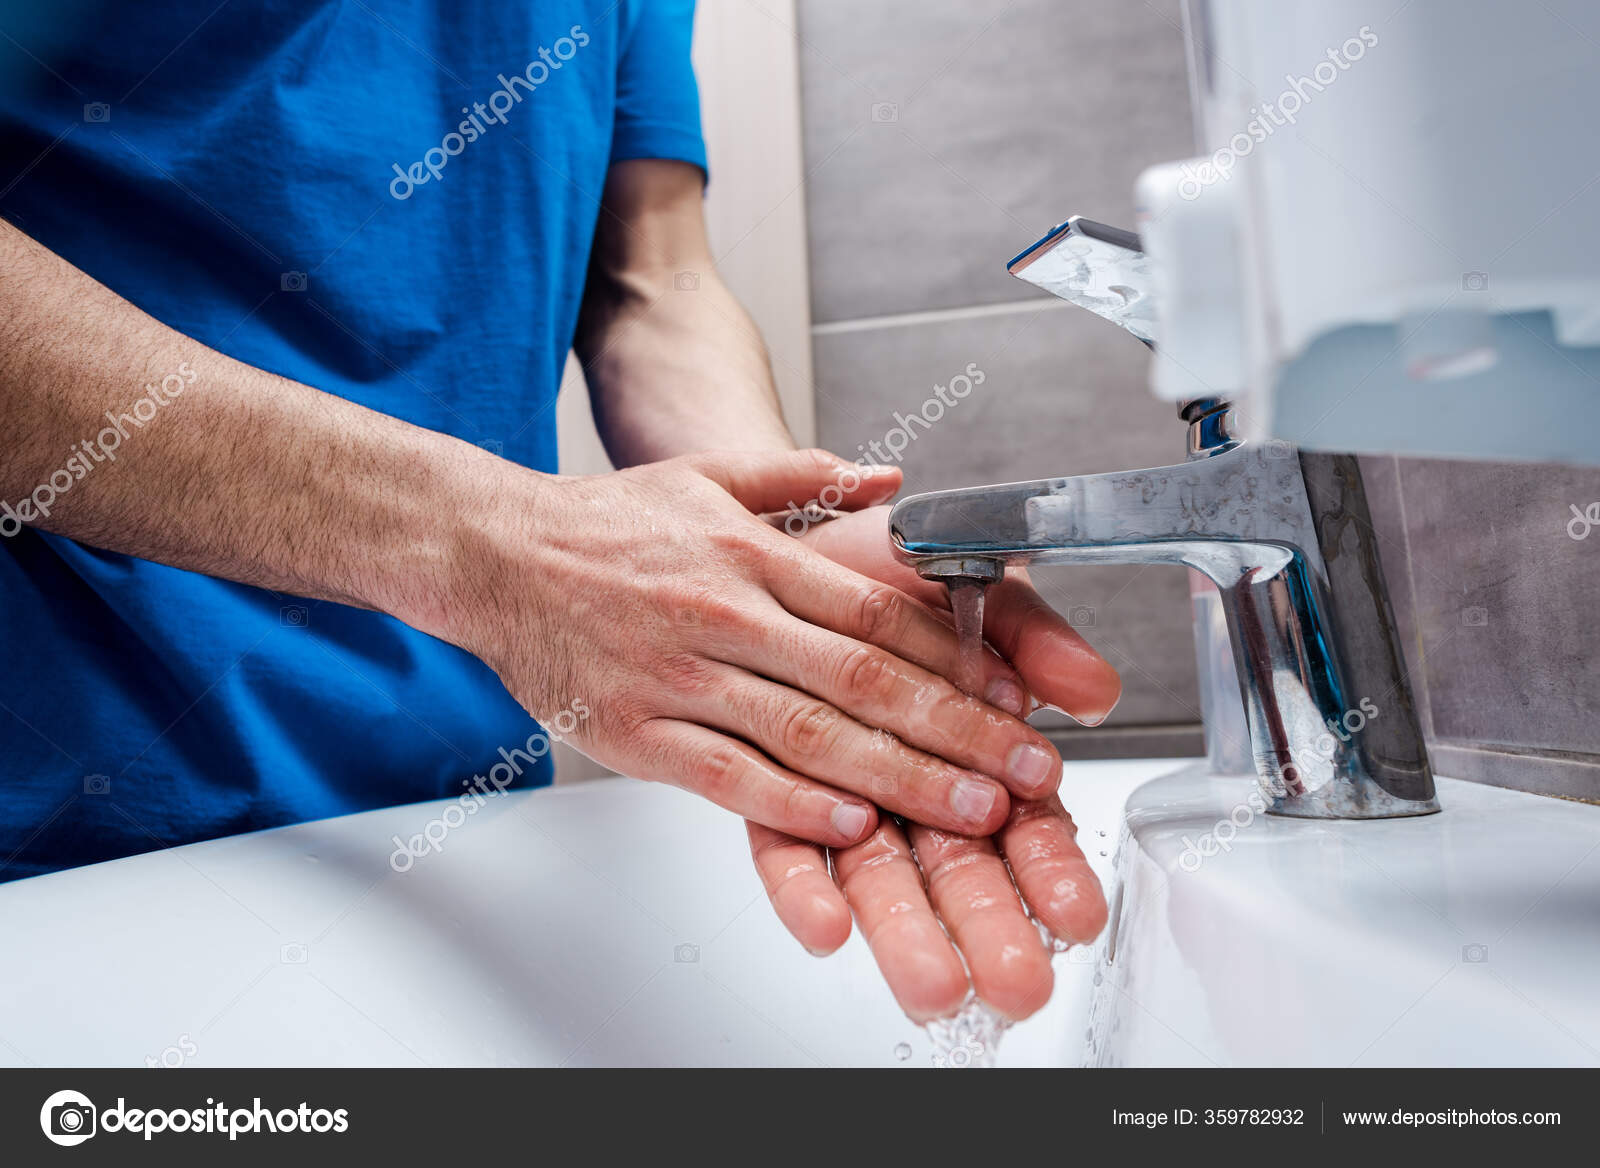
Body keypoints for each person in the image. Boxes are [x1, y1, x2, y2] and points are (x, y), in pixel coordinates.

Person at [0, 0, 1120, 1023]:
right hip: (68, 833)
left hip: (451, 824)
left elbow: (652, 281)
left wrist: (793, 560)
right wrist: (493, 549)